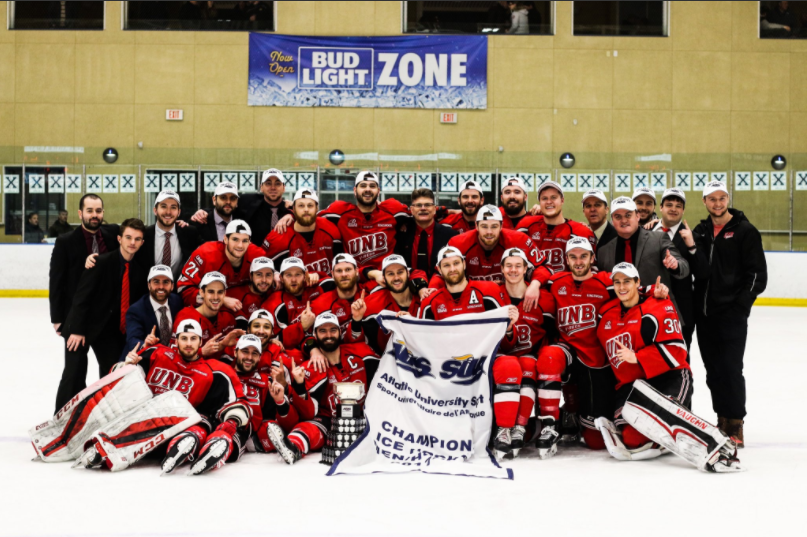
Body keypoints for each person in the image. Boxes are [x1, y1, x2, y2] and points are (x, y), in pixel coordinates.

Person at [591, 262, 740, 469]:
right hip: (632, 387)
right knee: (632, 439)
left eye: (627, 281)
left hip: (668, 378)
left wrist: (638, 357)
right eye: (617, 282)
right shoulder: (606, 313)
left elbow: (677, 349)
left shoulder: (658, 305)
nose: (622, 286)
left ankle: (716, 444)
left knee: (664, 414)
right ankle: (662, 438)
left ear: (637, 282)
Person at [534, 237, 670, 458]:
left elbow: (633, 286)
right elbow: (534, 276)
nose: (578, 262)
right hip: (567, 351)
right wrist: (534, 285)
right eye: (573, 257)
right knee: (549, 356)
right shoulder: (555, 281)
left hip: (596, 358)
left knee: (595, 442)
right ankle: (555, 420)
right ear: (567, 260)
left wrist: (655, 291)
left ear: (592, 258)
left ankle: (579, 416)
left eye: (583, 256)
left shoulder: (606, 281)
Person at [416, 246, 520, 458]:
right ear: (439, 269)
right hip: (448, 366)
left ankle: (504, 431)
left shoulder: (488, 291)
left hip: (484, 360)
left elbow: (508, 344)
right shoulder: (430, 302)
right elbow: (420, 343)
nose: (452, 268)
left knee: (509, 364)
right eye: (447, 265)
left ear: (464, 263)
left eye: (456, 263)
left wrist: (509, 328)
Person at [120, 319, 251, 475]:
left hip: (177, 429)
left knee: (204, 420)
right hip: (142, 423)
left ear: (201, 341)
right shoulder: (157, 353)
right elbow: (122, 387)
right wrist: (126, 368)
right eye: (184, 338)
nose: (188, 343)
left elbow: (238, 403)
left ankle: (191, 442)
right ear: (176, 340)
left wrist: (231, 421)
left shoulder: (214, 371)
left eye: (193, 338)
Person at [692, 181, 767, 447]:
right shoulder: (700, 232)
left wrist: (741, 307)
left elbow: (757, 275)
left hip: (732, 315)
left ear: (728, 199)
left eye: (722, 198)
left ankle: (735, 423)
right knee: (713, 371)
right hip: (705, 315)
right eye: (711, 199)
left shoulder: (745, 231)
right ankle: (721, 419)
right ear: (704, 202)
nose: (717, 203)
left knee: (731, 368)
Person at [263, 312, 379, 465]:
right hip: (328, 421)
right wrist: (299, 386)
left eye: (333, 330)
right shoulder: (308, 368)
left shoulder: (360, 352)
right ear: (315, 336)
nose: (329, 335)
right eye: (322, 331)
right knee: (308, 427)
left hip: (365, 417)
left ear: (340, 332)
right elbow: (309, 413)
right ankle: (293, 446)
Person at [56, 218, 148, 411]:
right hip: (84, 326)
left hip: (111, 331)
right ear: (119, 239)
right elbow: (81, 298)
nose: (132, 242)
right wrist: (77, 329)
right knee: (73, 374)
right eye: (128, 237)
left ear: (142, 243)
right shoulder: (100, 262)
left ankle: (102, 416)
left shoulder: (140, 270)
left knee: (111, 374)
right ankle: (62, 417)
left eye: (137, 239)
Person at [431, 205, 552, 312]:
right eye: (484, 226)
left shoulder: (519, 240)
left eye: (494, 226)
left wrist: (534, 285)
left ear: (501, 226)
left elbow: (544, 267)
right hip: (472, 301)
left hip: (511, 300)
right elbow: (440, 272)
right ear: (476, 226)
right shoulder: (458, 243)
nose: (489, 232)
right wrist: (432, 292)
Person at [497, 248, 556, 458]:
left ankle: (519, 427)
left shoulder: (544, 299)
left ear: (526, 269)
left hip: (530, 358)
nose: (513, 270)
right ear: (502, 269)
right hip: (501, 358)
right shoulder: (493, 295)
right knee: (512, 364)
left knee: (529, 363)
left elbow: (553, 333)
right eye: (509, 265)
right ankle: (505, 426)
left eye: (518, 265)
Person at [596, 196, 689, 320]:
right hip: (622, 322)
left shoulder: (658, 239)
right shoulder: (604, 251)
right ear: (612, 220)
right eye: (618, 217)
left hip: (659, 316)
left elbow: (684, 266)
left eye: (628, 215)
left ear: (637, 216)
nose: (623, 220)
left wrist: (675, 265)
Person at [315, 171, 414, 277]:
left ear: (378, 191)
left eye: (372, 186)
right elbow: (309, 216)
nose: (368, 189)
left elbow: (422, 212)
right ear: (355, 190)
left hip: (386, 277)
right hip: (354, 279)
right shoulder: (340, 211)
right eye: (363, 186)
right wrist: (293, 214)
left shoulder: (392, 209)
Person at [49, 195, 119, 342]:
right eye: (90, 210)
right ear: (80, 213)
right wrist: (57, 319)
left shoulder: (114, 233)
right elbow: (56, 282)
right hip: (76, 318)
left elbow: (137, 232)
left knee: (112, 365)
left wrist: (178, 226)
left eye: (98, 211)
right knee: (74, 366)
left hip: (107, 317)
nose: (95, 215)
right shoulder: (65, 242)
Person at [231, 333, 300, 456]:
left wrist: (280, 402)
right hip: (225, 429)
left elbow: (290, 423)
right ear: (235, 352)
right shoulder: (222, 375)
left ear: (259, 357)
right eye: (245, 351)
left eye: (254, 353)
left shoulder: (266, 382)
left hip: (254, 436)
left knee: (272, 426)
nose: (249, 357)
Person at [176, 219, 266, 306]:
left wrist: (276, 274)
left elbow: (270, 274)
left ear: (250, 242)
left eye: (245, 241)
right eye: (235, 239)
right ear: (225, 239)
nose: (240, 245)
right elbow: (183, 289)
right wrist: (220, 300)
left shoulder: (256, 255)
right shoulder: (205, 254)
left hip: (241, 306)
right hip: (208, 309)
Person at [652, 188, 699, 349]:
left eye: (678, 206)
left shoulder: (692, 236)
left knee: (681, 358)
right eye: (669, 204)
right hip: (650, 307)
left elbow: (702, 272)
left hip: (682, 311)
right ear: (660, 208)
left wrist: (692, 247)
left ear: (683, 210)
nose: (673, 209)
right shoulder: (646, 231)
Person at [516, 181, 597, 273]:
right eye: (544, 198)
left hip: (565, 286)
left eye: (553, 197)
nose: (549, 202)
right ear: (539, 202)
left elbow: (591, 270)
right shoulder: (526, 226)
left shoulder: (580, 232)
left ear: (562, 200)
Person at [262, 188, 341, 278]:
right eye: (301, 206)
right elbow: (262, 265)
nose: (306, 209)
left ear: (317, 208)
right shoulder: (279, 236)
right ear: (294, 209)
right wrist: (275, 273)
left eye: (310, 205)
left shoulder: (330, 228)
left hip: (327, 287)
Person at [308, 253, 384, 347]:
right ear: (332, 274)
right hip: (339, 354)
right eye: (339, 271)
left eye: (348, 270)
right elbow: (308, 335)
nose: (344, 274)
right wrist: (313, 350)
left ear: (356, 271)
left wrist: (375, 273)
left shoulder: (373, 289)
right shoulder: (320, 304)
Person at [359, 254, 425, 355]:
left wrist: (414, 324)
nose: (396, 278)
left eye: (400, 272)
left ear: (408, 273)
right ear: (383, 278)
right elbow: (359, 341)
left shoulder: (424, 299)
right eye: (390, 274)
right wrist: (356, 319)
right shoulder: (371, 304)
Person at [173, 271, 244, 360]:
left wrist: (222, 345)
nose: (215, 297)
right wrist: (201, 351)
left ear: (225, 294)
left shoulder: (228, 314)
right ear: (202, 292)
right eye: (211, 291)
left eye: (220, 292)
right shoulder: (186, 317)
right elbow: (173, 351)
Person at [121, 264, 184, 361]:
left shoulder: (177, 302)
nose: (161, 287)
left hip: (171, 360)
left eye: (166, 282)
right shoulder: (136, 310)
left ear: (172, 286)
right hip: (143, 360)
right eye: (156, 282)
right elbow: (132, 339)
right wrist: (144, 345)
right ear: (149, 285)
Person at [134, 189, 201, 280]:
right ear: (155, 210)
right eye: (163, 206)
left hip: (179, 292)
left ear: (179, 212)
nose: (168, 212)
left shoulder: (189, 233)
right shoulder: (144, 235)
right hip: (150, 292)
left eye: (173, 207)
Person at [395, 188, 459, 280]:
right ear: (412, 210)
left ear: (434, 209)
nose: (423, 208)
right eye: (418, 205)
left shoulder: (450, 235)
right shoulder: (400, 235)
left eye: (427, 205)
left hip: (439, 288)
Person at [261, 257, 324, 350]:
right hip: (297, 352)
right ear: (281, 278)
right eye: (288, 275)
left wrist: (318, 275)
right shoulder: (273, 303)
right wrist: (301, 326)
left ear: (305, 275)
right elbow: (275, 340)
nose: (293, 280)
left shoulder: (317, 287)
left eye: (298, 274)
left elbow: (337, 281)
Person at [226, 256, 276, 329]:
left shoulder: (275, 290)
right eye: (259, 274)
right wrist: (223, 300)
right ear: (251, 276)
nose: (264, 280)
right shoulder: (234, 294)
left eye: (268, 275)